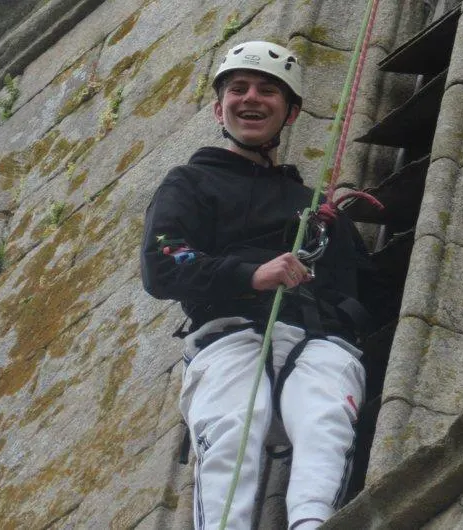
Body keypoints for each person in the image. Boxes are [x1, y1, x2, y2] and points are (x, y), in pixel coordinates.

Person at [141, 40, 381, 530]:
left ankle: (313, 524)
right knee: (231, 430)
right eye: (238, 88)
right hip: (232, 336)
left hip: (318, 338)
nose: (251, 98)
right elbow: (166, 260)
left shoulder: (315, 208)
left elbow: (366, 289)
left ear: (290, 113)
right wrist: (252, 274)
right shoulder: (191, 183)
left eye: (268, 90)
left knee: (325, 420)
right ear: (218, 107)